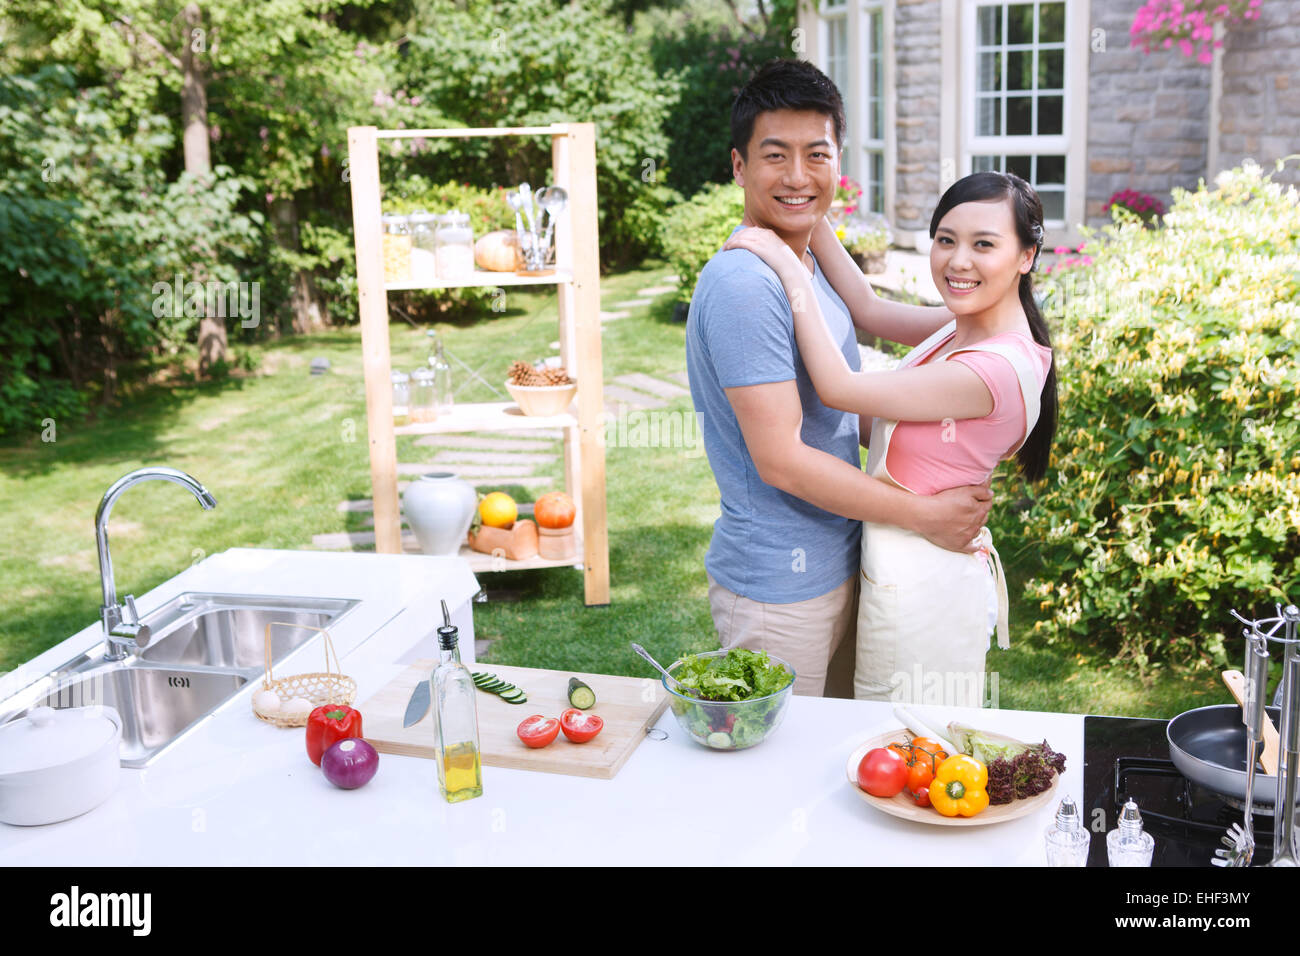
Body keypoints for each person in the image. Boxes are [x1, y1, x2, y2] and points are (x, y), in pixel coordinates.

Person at [685, 58, 993, 698]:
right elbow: (784, 463)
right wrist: (924, 515)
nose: (798, 176)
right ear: (739, 166)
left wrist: (1001, 323)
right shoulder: (746, 283)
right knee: (775, 780)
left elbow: (872, 317)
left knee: (843, 766)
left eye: (816, 154)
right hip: (778, 589)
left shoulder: (806, 246)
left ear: (838, 161)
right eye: (775, 156)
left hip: (840, 558)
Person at [722, 170, 1058, 706]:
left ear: (1026, 256)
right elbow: (868, 311)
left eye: (984, 244)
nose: (958, 260)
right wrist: (806, 201)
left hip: (926, 589)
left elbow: (839, 387)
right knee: (877, 751)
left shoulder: (992, 368)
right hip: (898, 567)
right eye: (945, 240)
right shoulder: (963, 326)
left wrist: (788, 270)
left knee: (908, 751)